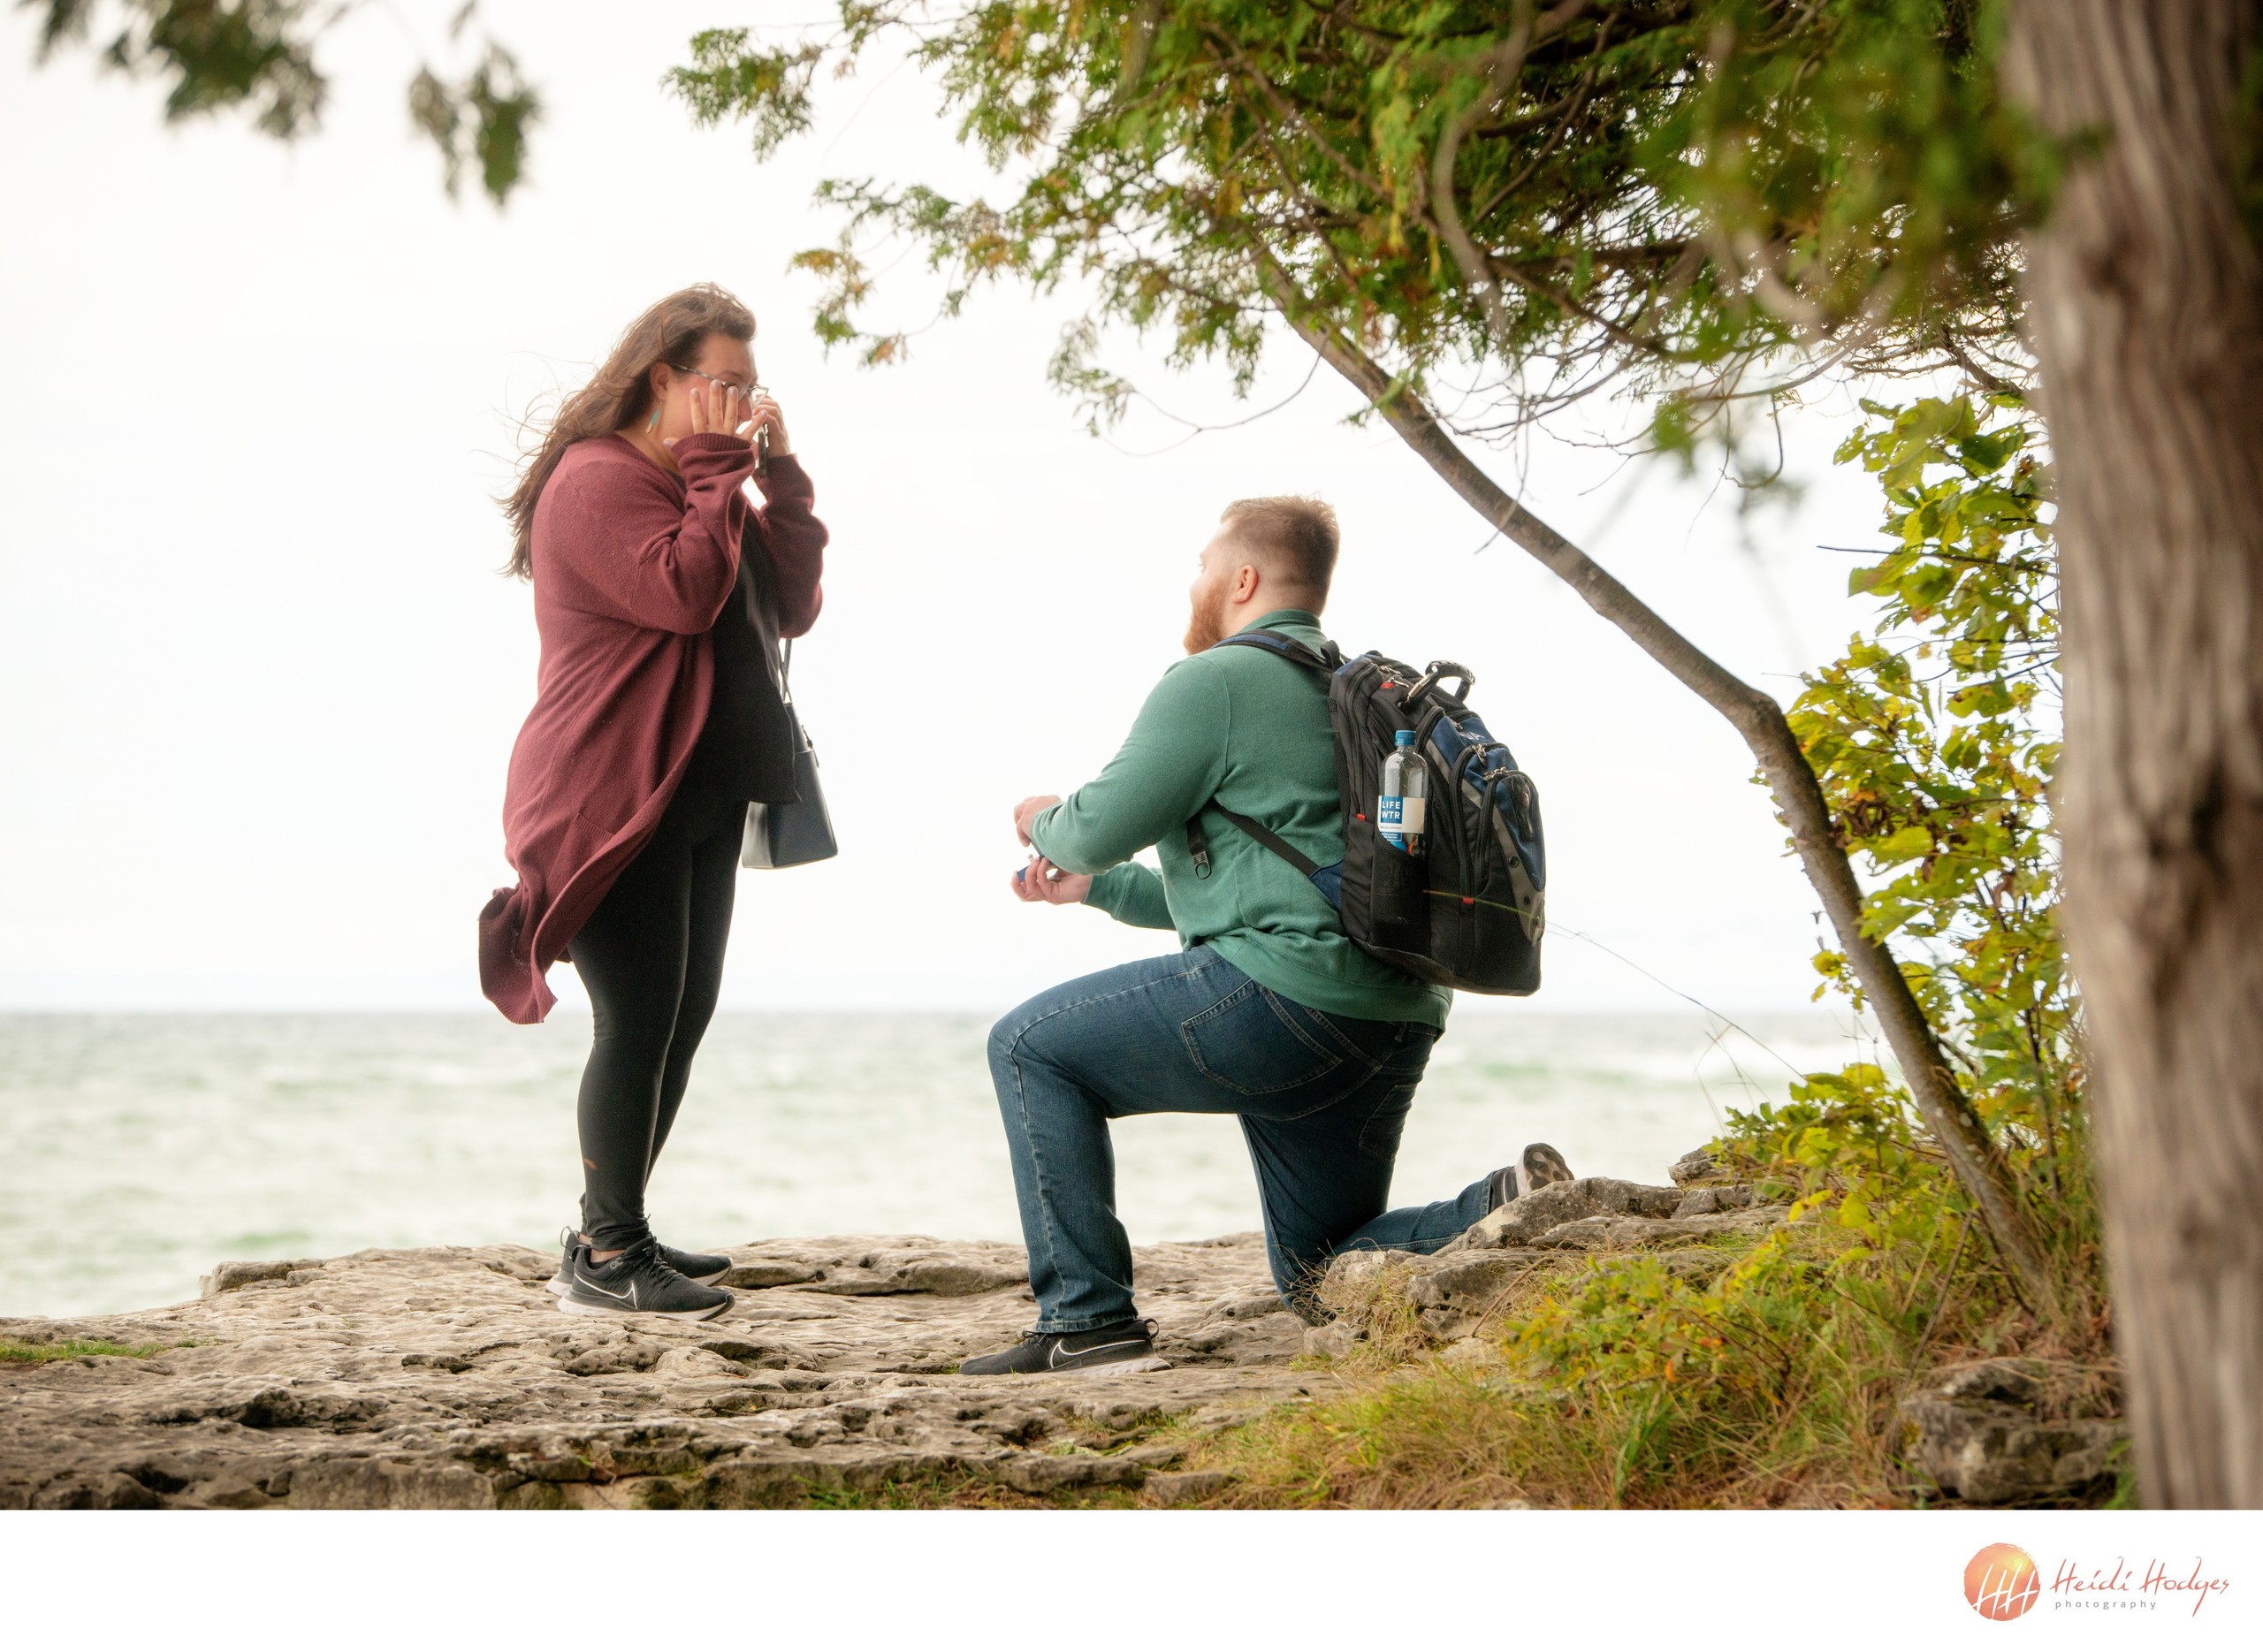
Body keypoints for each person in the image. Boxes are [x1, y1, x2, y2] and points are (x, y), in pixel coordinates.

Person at [961, 497, 1571, 1374]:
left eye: (1203, 568)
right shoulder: (1353, 690)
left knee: (1029, 1046)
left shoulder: (1215, 681)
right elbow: (1266, 893)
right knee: (1320, 1275)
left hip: (1288, 1000)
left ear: (1242, 579)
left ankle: (1087, 1321)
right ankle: (1508, 1203)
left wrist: (1043, 818)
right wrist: (1100, 891)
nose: (1194, 586)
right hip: (1392, 1012)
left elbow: (1090, 829)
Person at [479, 284, 827, 1322]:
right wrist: (718, 473)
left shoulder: (699, 482)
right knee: (634, 1019)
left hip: (699, 787)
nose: (740, 405)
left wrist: (779, 476)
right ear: (662, 378)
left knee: (682, 1013)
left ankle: (610, 1225)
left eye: (751, 388)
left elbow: (789, 603)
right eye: (723, 383)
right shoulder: (596, 481)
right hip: (609, 790)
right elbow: (682, 594)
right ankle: (608, 1255)